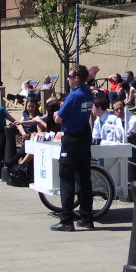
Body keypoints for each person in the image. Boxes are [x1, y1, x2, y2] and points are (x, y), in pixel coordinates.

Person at [52, 64, 95, 232]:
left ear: (76, 78)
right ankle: (86, 217)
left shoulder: (74, 95)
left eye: (69, 77)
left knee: (67, 178)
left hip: (71, 138)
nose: (68, 79)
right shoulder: (88, 93)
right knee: (84, 178)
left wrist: (57, 114)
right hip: (85, 135)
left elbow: (58, 118)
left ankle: (66, 219)